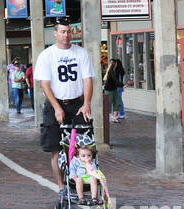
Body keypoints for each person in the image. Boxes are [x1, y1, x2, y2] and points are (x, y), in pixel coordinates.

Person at [34, 18, 94, 195]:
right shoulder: (47, 55)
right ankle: (61, 187)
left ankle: (83, 182)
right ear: (55, 33)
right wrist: (56, 108)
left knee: (84, 147)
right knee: (56, 149)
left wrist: (86, 103)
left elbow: (87, 79)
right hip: (55, 104)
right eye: (62, 31)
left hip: (76, 104)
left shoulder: (81, 53)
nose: (66, 35)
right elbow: (44, 84)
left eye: (68, 31)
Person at [103, 57, 126, 123]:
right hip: (109, 90)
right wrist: (122, 85)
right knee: (109, 104)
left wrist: (121, 85)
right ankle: (107, 117)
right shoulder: (111, 72)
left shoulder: (115, 71)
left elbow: (117, 81)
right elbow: (115, 81)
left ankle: (115, 117)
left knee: (117, 102)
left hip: (115, 89)